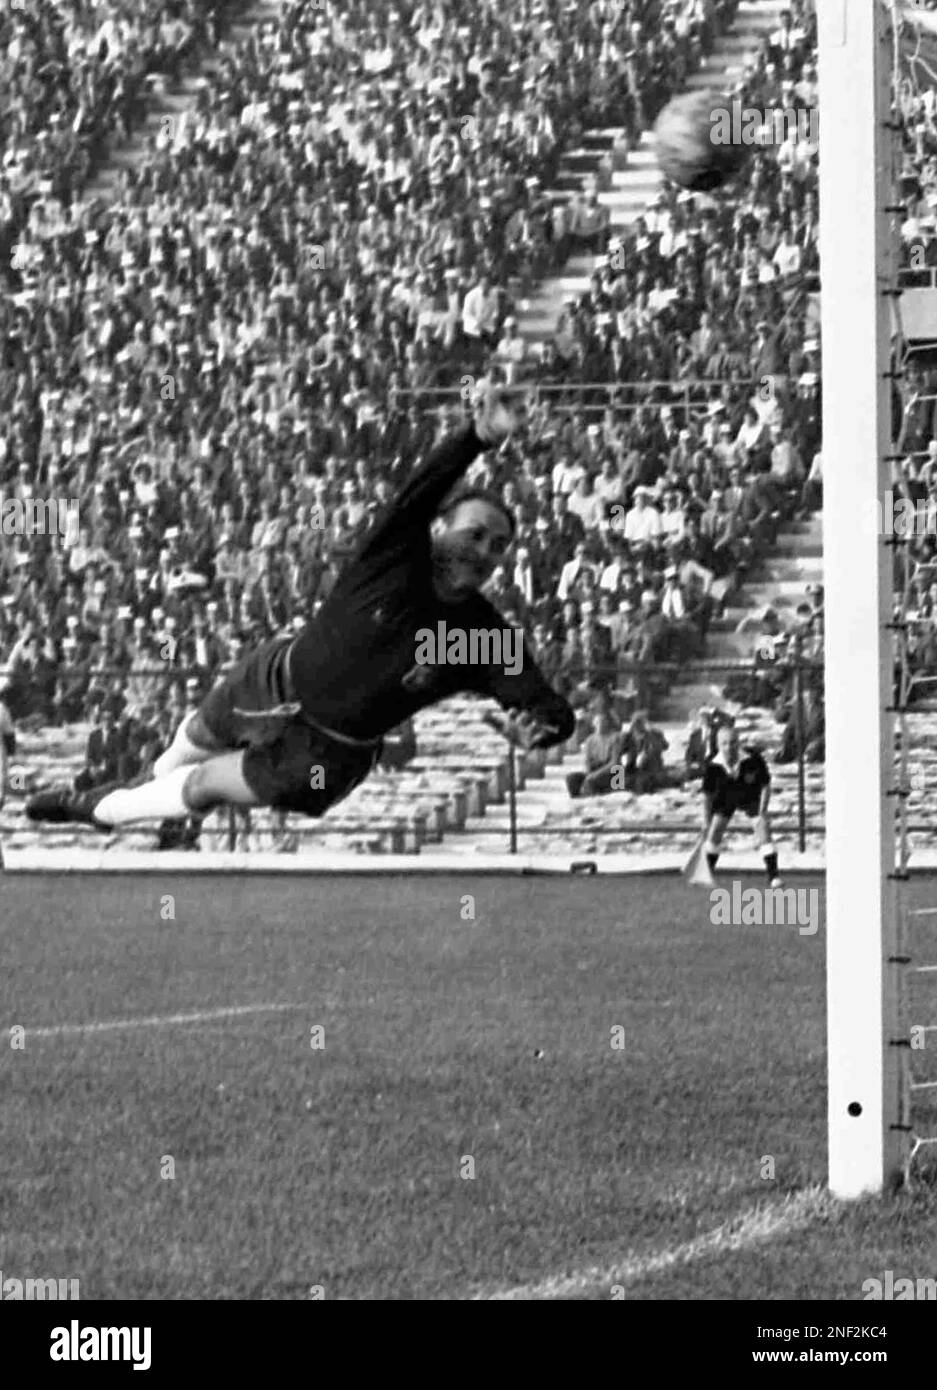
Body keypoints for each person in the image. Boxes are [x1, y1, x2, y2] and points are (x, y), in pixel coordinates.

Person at [27, 386, 575, 835]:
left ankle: (95, 810)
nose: (484, 552)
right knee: (178, 757)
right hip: (271, 681)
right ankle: (116, 798)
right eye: (474, 533)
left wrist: (542, 731)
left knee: (199, 787)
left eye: (498, 546)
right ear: (438, 529)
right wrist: (476, 438)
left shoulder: (479, 636)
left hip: (327, 756)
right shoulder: (391, 561)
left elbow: (547, 705)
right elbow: (418, 490)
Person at [701, 724, 783, 887]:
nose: (729, 747)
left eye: (732, 743)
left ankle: (773, 876)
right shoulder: (712, 766)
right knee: (715, 829)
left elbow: (766, 785)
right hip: (725, 797)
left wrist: (762, 812)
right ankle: (706, 873)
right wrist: (706, 820)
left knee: (762, 828)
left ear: (738, 743)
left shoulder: (753, 759)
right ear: (718, 745)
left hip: (750, 796)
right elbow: (707, 795)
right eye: (724, 743)